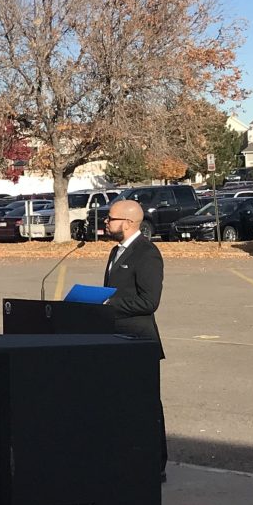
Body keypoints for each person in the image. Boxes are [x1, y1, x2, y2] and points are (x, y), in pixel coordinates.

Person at [103, 199, 167, 480]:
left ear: (127, 223)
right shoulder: (114, 252)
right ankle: (124, 456)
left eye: (110, 218)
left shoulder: (147, 253)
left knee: (147, 405)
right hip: (113, 340)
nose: (106, 222)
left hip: (139, 341)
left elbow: (149, 301)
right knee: (118, 403)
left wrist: (107, 305)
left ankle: (156, 464)